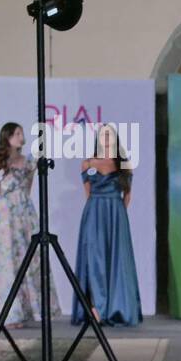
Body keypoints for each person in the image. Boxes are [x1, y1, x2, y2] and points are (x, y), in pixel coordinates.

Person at [0, 122, 54, 328]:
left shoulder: (28, 162)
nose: (20, 136)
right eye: (16, 133)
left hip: (23, 215)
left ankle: (25, 309)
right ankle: (5, 312)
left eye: (21, 133)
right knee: (3, 263)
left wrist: (21, 208)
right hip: (2, 218)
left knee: (24, 260)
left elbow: (28, 188)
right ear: (7, 136)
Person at [72, 123, 142, 326]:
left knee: (116, 260)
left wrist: (118, 213)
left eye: (110, 135)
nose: (106, 138)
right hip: (94, 212)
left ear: (115, 139)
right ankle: (95, 307)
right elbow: (88, 193)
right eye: (103, 135)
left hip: (116, 213)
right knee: (94, 260)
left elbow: (127, 194)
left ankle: (114, 309)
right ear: (98, 139)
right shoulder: (87, 163)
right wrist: (96, 212)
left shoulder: (124, 163)